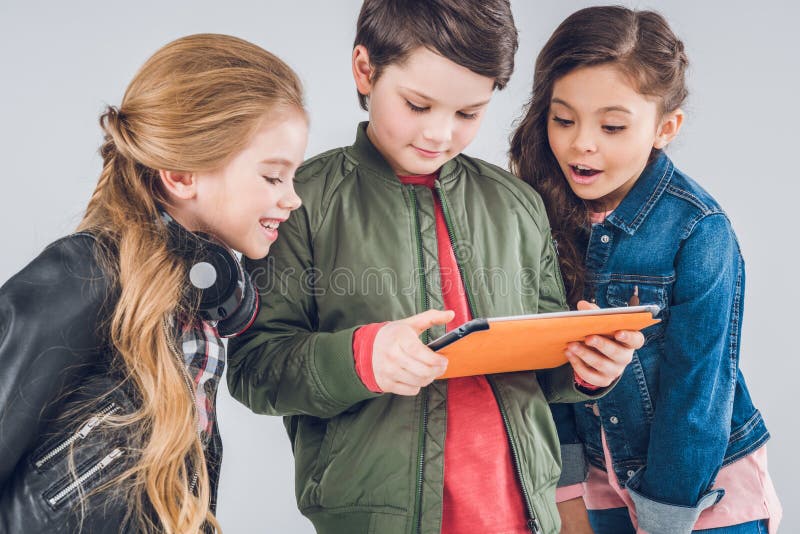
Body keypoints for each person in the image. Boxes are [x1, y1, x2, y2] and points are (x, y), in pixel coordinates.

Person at [226, 2, 643, 533]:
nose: (439, 134)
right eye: (418, 105)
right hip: (378, 521)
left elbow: (543, 368)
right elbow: (255, 367)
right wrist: (359, 359)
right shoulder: (298, 202)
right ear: (365, 70)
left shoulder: (516, 204)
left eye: (468, 114)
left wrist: (586, 368)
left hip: (522, 514)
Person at [0, 33, 306, 533]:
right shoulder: (84, 275)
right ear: (181, 175)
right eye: (274, 177)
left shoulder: (195, 306)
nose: (292, 198)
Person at [509, 6, 782, 534]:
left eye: (612, 126)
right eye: (563, 119)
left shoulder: (698, 230)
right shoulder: (538, 212)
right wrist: (565, 496)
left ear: (665, 127)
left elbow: (697, 395)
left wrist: (665, 520)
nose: (582, 143)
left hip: (699, 495)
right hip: (598, 490)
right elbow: (543, 369)